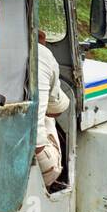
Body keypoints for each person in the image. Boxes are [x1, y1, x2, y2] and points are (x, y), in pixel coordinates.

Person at [35, 33, 69, 189]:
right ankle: (52, 181)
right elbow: (56, 110)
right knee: (48, 115)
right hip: (31, 152)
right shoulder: (41, 54)